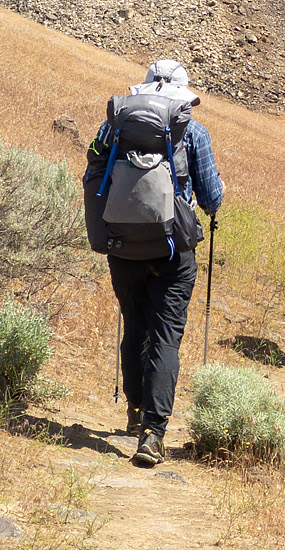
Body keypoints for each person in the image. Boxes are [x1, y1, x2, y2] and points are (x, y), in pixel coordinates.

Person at [85, 59, 223, 469]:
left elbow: (94, 175)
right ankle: (153, 434)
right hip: (173, 249)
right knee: (165, 337)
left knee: (135, 325)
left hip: (122, 244)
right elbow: (211, 197)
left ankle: (134, 409)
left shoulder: (113, 126)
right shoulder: (193, 131)